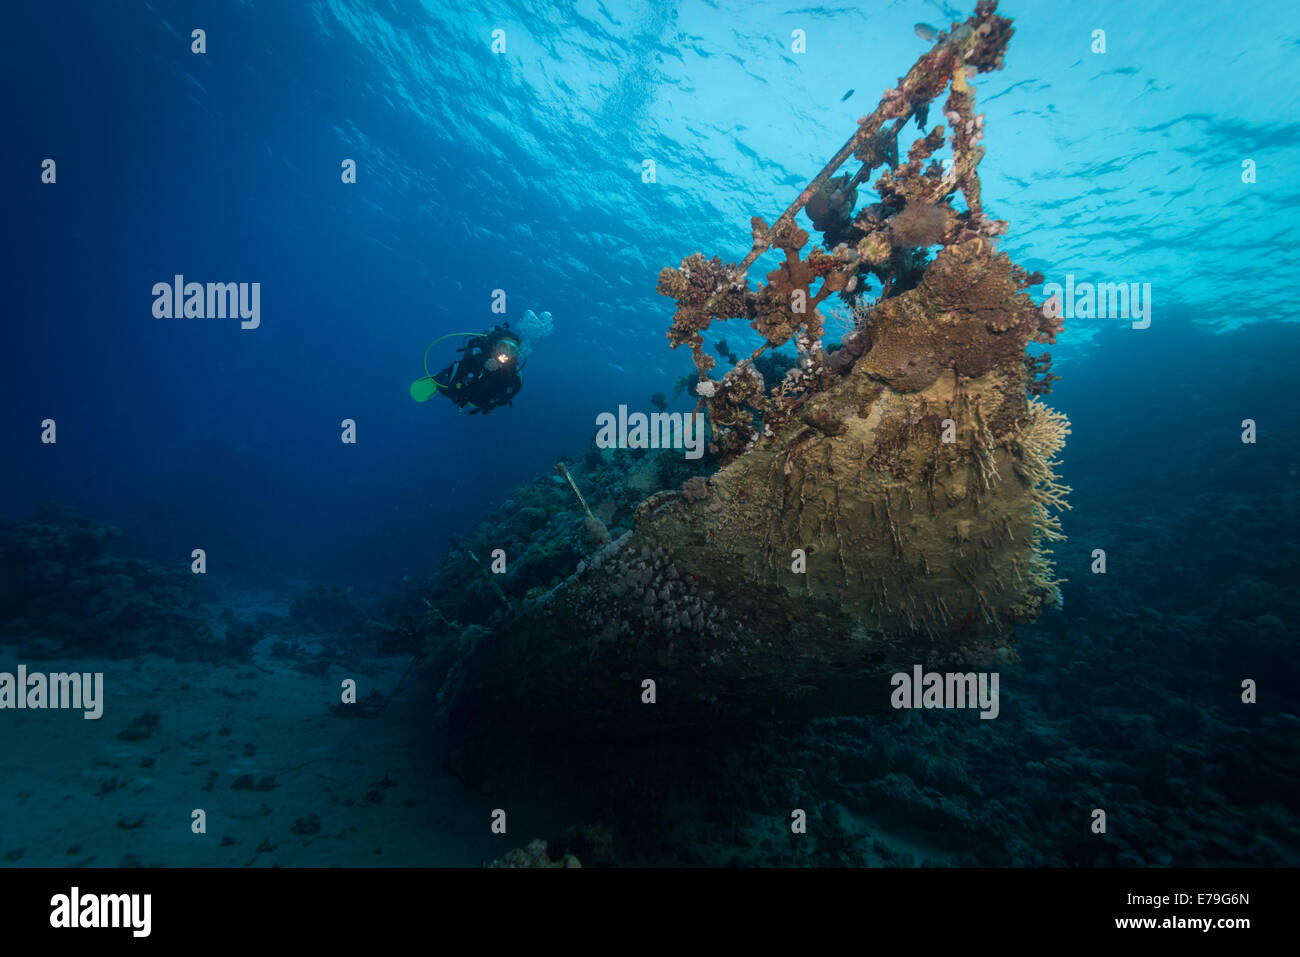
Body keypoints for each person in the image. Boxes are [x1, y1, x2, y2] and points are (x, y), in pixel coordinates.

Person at [409, 324, 524, 414]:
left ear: (516, 355)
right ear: (494, 346)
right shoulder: (480, 352)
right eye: (503, 346)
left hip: (480, 400)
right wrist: (482, 363)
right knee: (452, 385)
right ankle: (440, 379)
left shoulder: (515, 374)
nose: (506, 352)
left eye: (512, 350)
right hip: (462, 388)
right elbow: (470, 355)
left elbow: (510, 393)